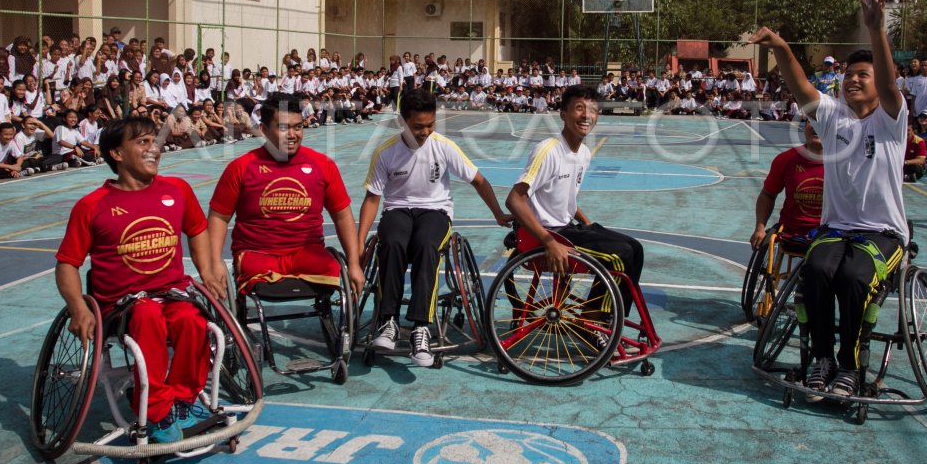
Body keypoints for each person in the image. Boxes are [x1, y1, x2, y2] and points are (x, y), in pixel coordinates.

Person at [750, 0, 909, 400]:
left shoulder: (891, 121)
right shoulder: (832, 118)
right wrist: (781, 46)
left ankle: (851, 367)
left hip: (882, 232)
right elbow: (799, 83)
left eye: (863, 75)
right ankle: (821, 358)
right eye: (849, 75)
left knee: (856, 277)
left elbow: (891, 86)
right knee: (817, 271)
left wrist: (876, 30)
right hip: (837, 228)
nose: (853, 80)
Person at [54, 116, 227, 444]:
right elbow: (67, 264)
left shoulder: (177, 190)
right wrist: (77, 306)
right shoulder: (91, 206)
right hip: (121, 306)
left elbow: (197, 230)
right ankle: (156, 410)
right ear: (117, 154)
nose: (154, 149)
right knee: (147, 315)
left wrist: (207, 271)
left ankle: (184, 400)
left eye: (155, 142)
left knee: (193, 320)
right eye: (143, 143)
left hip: (171, 294)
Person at [357, 89, 511, 366]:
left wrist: (498, 213)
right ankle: (388, 321)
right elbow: (372, 198)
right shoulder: (386, 152)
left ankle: (420, 328)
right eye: (418, 126)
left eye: (430, 125)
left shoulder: (443, 146)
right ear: (403, 121)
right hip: (398, 208)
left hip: (435, 210)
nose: (425, 131)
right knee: (391, 242)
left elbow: (479, 180)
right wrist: (358, 244)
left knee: (427, 245)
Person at [207, 93, 361, 311]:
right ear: (263, 129)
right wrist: (214, 263)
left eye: (298, 127)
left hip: (306, 252)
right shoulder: (241, 168)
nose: (292, 135)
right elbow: (218, 218)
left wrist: (354, 265)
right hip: (257, 254)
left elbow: (343, 215)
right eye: (283, 128)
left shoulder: (322, 165)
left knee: (333, 267)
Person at [505, 84, 646, 321]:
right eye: (579, 109)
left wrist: (587, 223)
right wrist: (549, 242)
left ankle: (612, 318)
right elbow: (514, 200)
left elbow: (563, 196)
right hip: (544, 235)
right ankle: (594, 320)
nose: (587, 116)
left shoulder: (583, 154)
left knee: (636, 249)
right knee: (619, 254)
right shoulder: (548, 150)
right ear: (563, 114)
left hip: (567, 228)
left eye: (592, 110)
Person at [749, 118, 824, 251]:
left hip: (829, 233)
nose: (815, 126)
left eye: (822, 121)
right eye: (811, 121)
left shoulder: (846, 163)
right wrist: (760, 228)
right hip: (792, 233)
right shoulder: (786, 159)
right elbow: (767, 195)